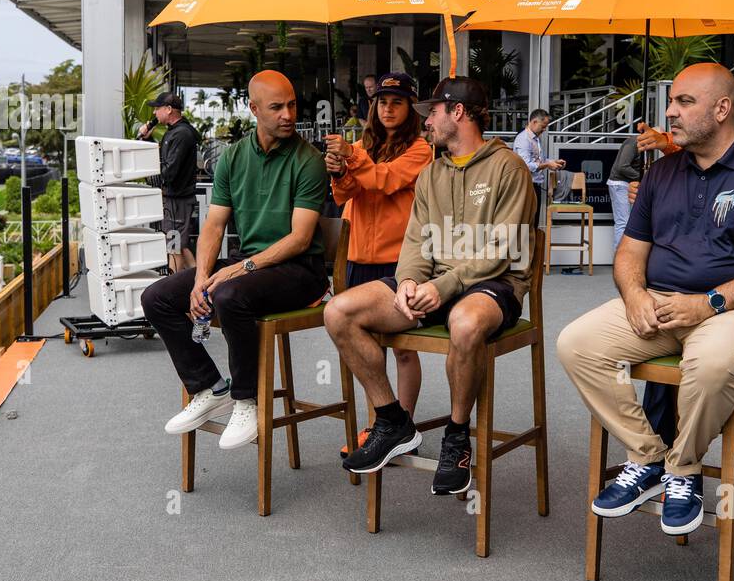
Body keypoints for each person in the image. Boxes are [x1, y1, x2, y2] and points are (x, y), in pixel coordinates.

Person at [556, 63, 734, 536]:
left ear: (722, 109)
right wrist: (633, 295)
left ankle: (683, 469)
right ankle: (649, 458)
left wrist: (708, 303)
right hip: (659, 304)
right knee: (577, 343)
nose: (670, 112)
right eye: (671, 101)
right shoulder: (660, 173)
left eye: (684, 102)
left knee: (712, 362)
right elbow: (630, 251)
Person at [324, 76, 535, 495]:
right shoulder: (432, 172)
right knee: (339, 312)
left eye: (433, 113)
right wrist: (406, 281)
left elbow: (505, 246)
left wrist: (447, 284)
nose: (426, 124)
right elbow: (417, 241)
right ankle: (392, 421)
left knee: (464, 322)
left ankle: (456, 436)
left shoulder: (508, 167)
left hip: (494, 283)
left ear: (458, 113)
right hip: (436, 283)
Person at [142, 71, 330, 449]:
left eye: (292, 104)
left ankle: (247, 398)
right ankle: (210, 388)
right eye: (277, 107)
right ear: (254, 108)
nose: (288, 114)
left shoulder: (309, 161)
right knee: (157, 297)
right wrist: (201, 279)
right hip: (249, 267)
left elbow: (299, 239)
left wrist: (235, 270)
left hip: (301, 272)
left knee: (229, 296)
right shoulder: (233, 158)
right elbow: (213, 225)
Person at [325, 72, 432, 457]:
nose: (388, 108)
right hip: (357, 256)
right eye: (382, 101)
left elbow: (386, 180)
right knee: (365, 347)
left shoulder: (421, 149)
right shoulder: (361, 145)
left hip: (399, 259)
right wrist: (339, 172)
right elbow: (346, 194)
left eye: (397, 102)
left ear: (410, 109)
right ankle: (379, 428)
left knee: (403, 348)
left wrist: (351, 157)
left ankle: (402, 426)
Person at [137, 91, 200, 272]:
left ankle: (173, 289)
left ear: (169, 109)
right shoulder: (175, 132)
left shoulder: (181, 134)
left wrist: (157, 183)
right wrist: (147, 136)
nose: (154, 113)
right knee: (181, 245)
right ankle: (198, 283)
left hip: (177, 201)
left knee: (174, 246)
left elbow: (170, 170)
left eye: (157, 108)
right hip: (175, 201)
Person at [513, 109, 572, 217]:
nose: (544, 129)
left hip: (534, 185)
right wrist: (548, 165)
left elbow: (541, 160)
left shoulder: (535, 139)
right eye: (543, 126)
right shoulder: (523, 139)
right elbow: (526, 165)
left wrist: (553, 162)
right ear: (534, 122)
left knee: (533, 222)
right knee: (527, 222)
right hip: (525, 186)